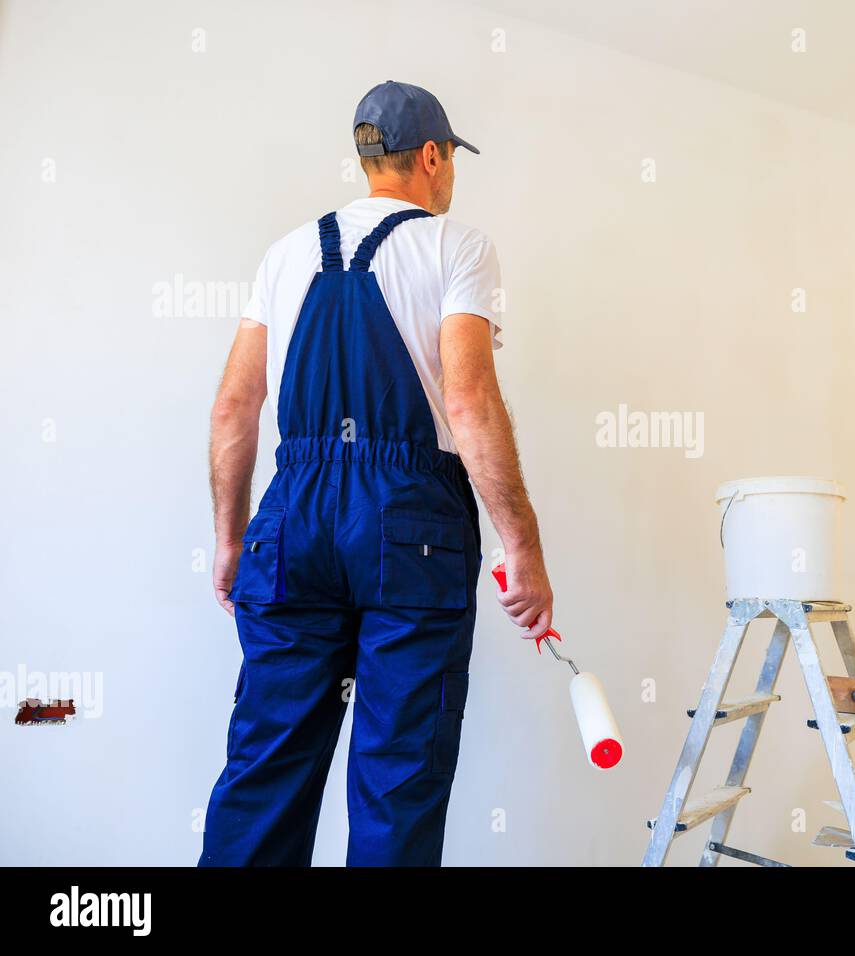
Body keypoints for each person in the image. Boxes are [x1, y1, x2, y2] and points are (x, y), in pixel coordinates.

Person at [199, 81, 552, 866]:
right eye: (452, 156)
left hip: (290, 523)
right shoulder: (455, 245)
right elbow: (469, 400)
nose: (451, 172)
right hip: (411, 523)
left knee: (266, 767)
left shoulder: (284, 253)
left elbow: (233, 408)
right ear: (431, 155)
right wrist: (520, 546)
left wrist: (230, 541)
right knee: (400, 774)